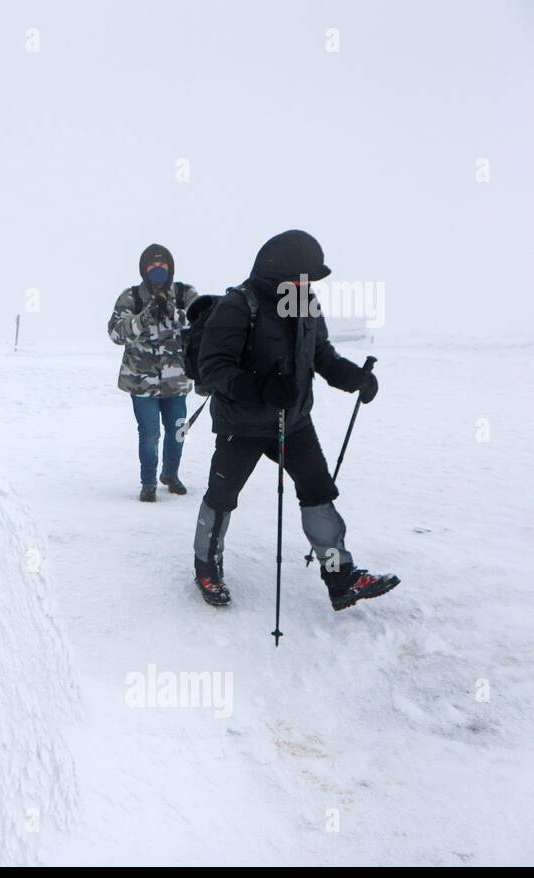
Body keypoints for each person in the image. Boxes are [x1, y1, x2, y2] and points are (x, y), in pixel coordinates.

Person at [191, 229, 399, 611]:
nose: (308, 286)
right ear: (282, 273)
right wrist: (260, 389)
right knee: (222, 497)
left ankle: (340, 576)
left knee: (318, 492)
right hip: (243, 424)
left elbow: (323, 356)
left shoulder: (306, 306)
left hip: (295, 421)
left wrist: (356, 379)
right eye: (304, 278)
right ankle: (207, 566)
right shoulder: (239, 305)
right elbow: (213, 367)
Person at [107, 243, 199, 501]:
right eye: (151, 265)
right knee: (149, 434)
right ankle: (148, 483)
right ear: (143, 269)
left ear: (170, 267)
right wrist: (143, 318)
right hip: (141, 382)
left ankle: (170, 474)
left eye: (162, 264)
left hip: (176, 381)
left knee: (178, 430)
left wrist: (175, 314)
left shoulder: (184, 293)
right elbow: (116, 332)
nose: (157, 269)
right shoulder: (131, 297)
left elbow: (204, 319)